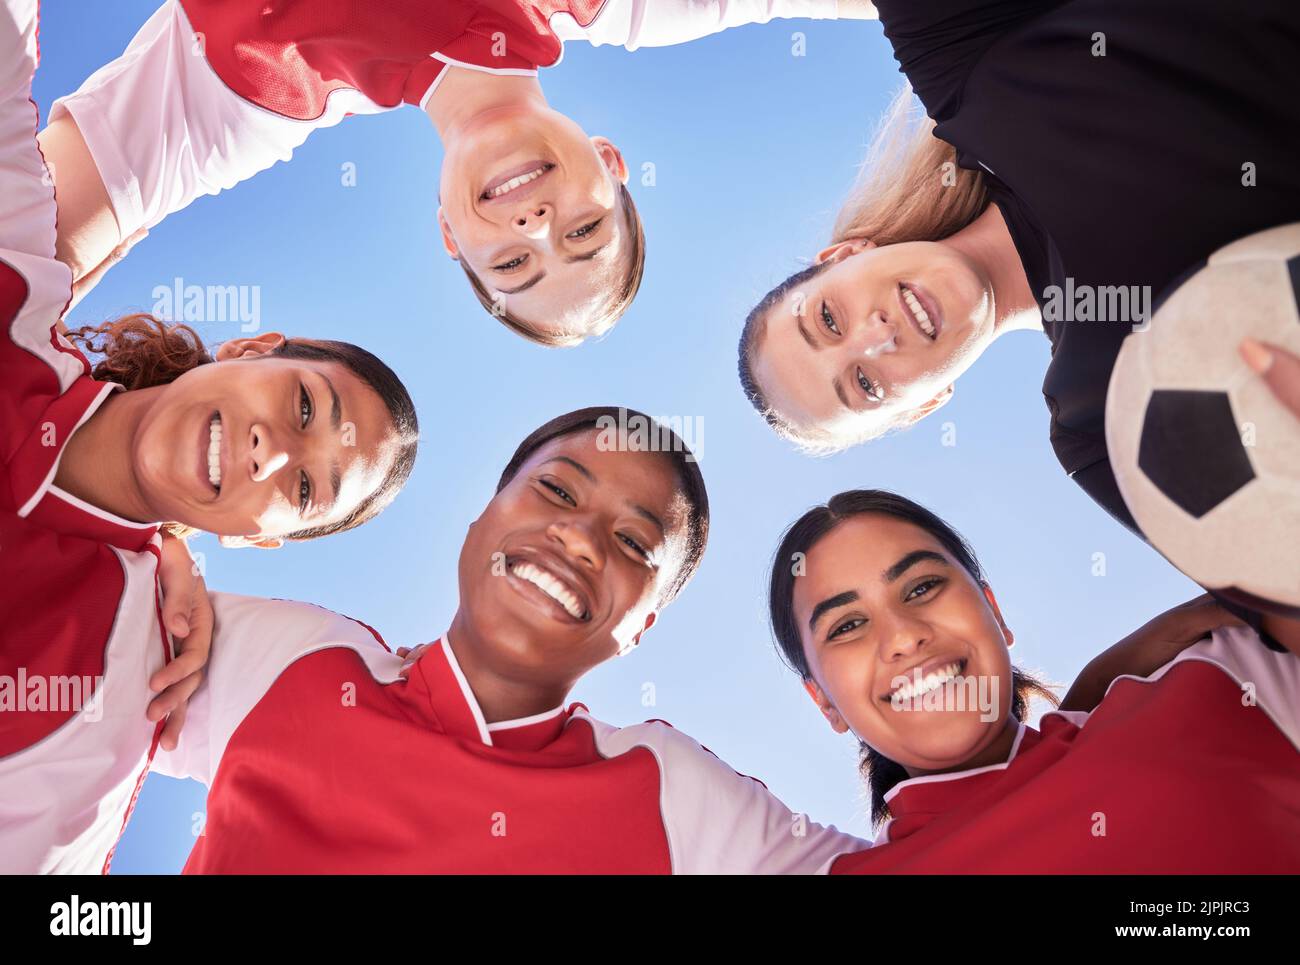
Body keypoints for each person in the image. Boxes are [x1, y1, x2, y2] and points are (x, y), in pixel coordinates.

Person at [0, 0, 419, 872]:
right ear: (249, 348)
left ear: (260, 536)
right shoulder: (15, 276)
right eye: (306, 406)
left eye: (306, 489)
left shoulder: (116, 689)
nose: (278, 451)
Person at [736, 0, 1300, 646]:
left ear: (844, 255)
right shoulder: (1097, 425)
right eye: (864, 384)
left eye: (830, 318)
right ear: (923, 407)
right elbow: (1283, 603)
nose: (877, 335)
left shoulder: (964, 60)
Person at [154, 407, 872, 873]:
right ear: (480, 520)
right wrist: (152, 548)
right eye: (558, 491)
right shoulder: (298, 658)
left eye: (631, 540)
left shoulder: (667, 791)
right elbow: (69, 618)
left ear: (638, 627)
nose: (580, 537)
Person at [42, 0, 875, 347]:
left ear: (448, 230)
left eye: (513, 262)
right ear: (611, 163)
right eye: (584, 230)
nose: (536, 226)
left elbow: (31, 252)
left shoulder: (260, 91)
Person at [765, 489, 1300, 872]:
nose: (903, 637)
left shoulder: (1217, 681)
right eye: (848, 626)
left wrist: (1244, 599)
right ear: (824, 703)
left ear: (994, 613)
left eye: (922, 586)